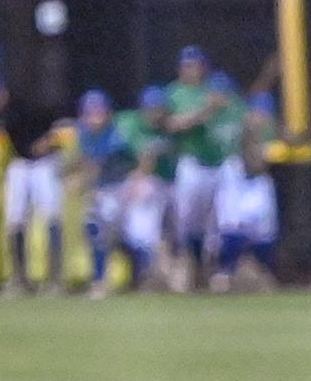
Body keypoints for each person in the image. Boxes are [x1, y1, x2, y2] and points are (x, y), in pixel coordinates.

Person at [164, 46, 223, 289]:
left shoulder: (215, 89)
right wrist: (204, 111)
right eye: (187, 65)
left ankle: (207, 271)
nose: (192, 70)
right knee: (186, 218)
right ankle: (184, 268)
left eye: (196, 65)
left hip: (217, 162)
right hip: (190, 162)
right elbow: (172, 125)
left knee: (214, 223)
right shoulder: (175, 93)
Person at [210, 94, 280, 293]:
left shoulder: (272, 129)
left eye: (265, 112)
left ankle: (263, 271)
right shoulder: (240, 126)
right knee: (233, 226)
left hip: (259, 182)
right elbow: (248, 153)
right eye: (258, 112)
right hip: (236, 177)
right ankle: (224, 273)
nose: (261, 116)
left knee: (264, 231)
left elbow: (262, 162)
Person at [0, 103, 72, 295]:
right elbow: (6, 121)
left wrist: (49, 139)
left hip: (45, 161)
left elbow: (58, 119)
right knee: (15, 220)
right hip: (19, 160)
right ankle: (19, 279)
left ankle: (55, 280)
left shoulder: (44, 90)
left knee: (52, 217)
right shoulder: (13, 94)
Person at [70, 90, 135, 298]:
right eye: (90, 112)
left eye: (99, 112)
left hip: (121, 187)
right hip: (101, 190)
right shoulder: (82, 133)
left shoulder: (116, 133)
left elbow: (99, 163)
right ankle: (99, 280)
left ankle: (139, 277)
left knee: (130, 236)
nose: (94, 117)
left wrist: (80, 179)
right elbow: (79, 161)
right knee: (95, 230)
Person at [112, 87, 178, 292]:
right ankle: (146, 277)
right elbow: (142, 163)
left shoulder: (172, 126)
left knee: (175, 234)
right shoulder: (130, 124)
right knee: (141, 234)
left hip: (170, 183)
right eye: (151, 109)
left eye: (159, 109)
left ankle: (172, 278)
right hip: (139, 184)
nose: (155, 113)